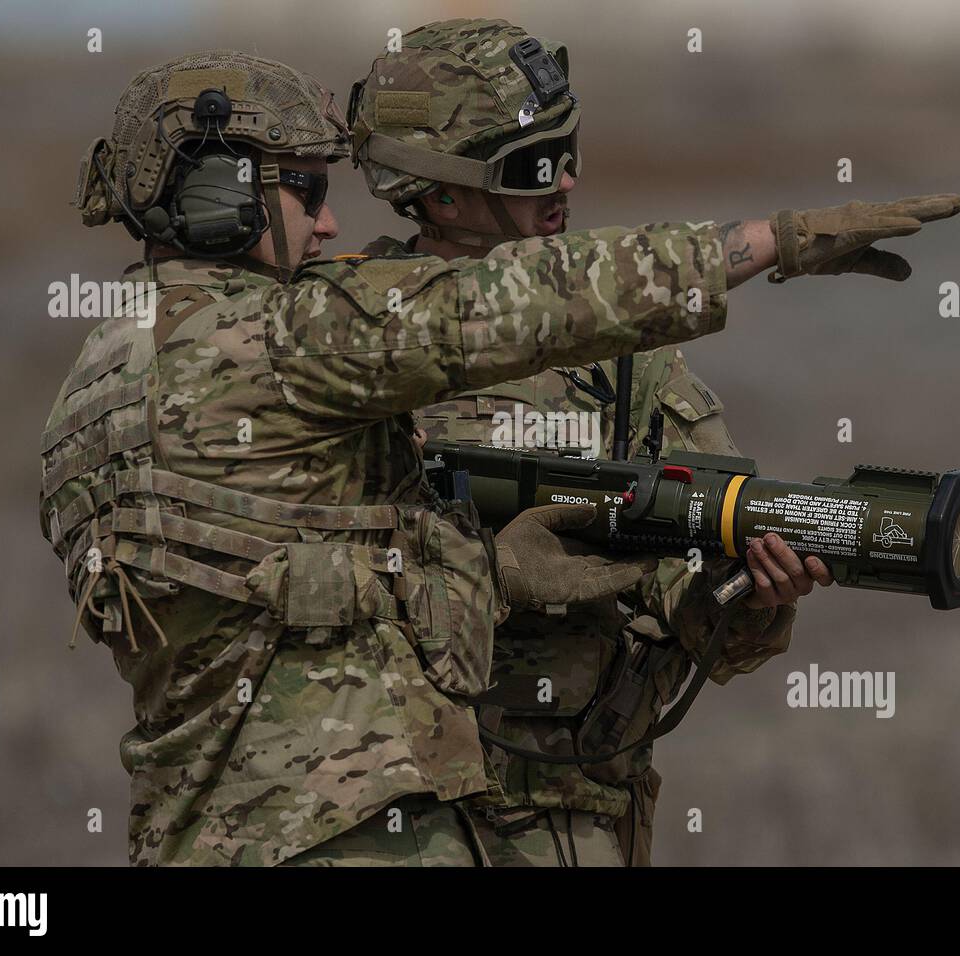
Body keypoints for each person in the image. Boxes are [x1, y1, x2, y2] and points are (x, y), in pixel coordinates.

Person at [43, 49, 655, 866]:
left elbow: (281, 556)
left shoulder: (100, 381)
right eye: (307, 191)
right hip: (340, 829)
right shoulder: (281, 347)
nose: (328, 224)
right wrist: (773, 245)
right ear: (218, 194)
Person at [347, 17, 840, 866]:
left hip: (569, 824)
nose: (567, 180)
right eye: (535, 165)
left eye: (570, 147)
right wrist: (489, 578)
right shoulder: (343, 349)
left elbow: (698, 606)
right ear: (442, 191)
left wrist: (753, 598)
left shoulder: (625, 362)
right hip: (387, 819)